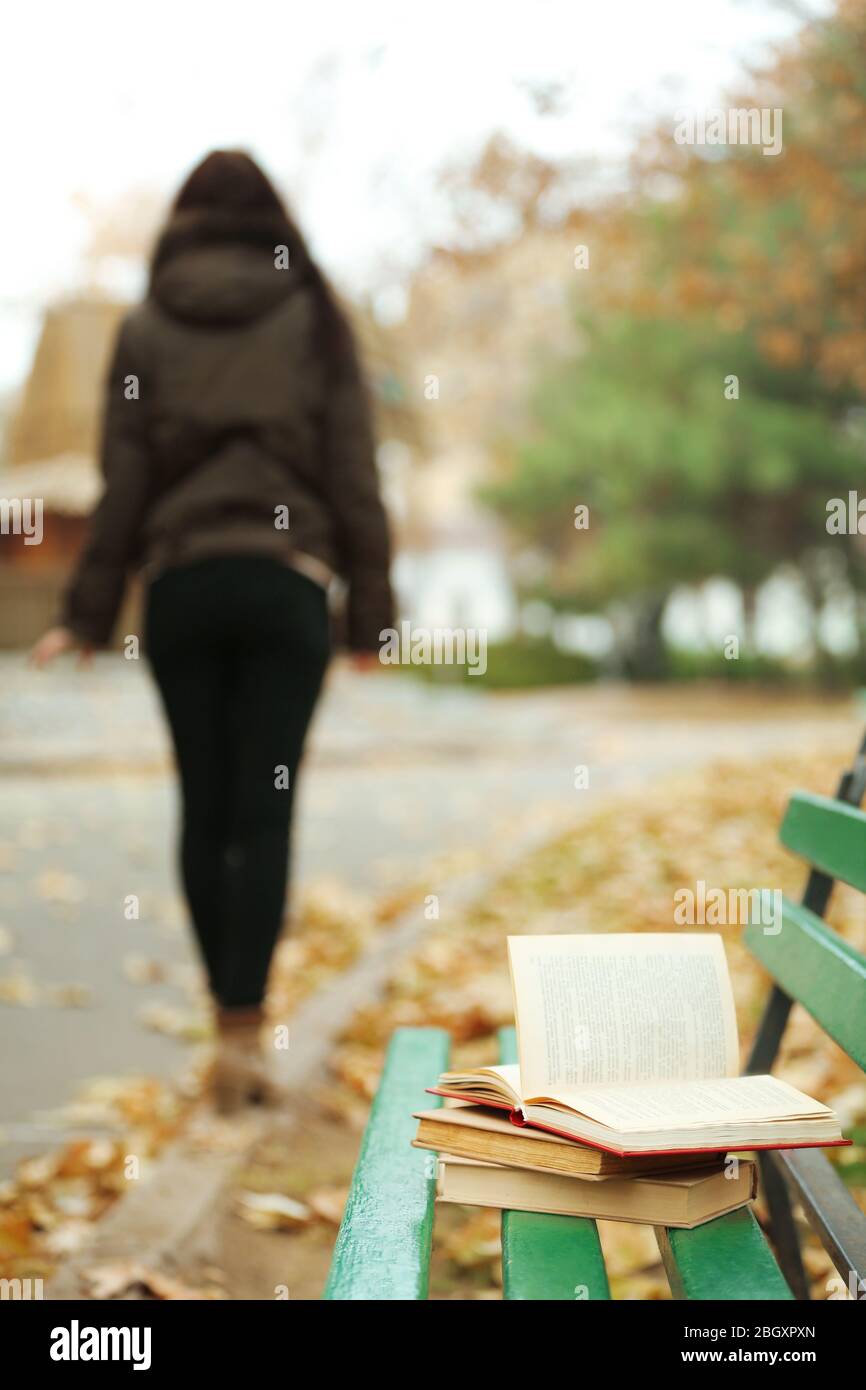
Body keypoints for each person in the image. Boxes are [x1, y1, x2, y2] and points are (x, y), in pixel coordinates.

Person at [31, 149, 393, 1112]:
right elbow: (355, 470)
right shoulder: (314, 318)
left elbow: (125, 483)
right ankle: (246, 1029)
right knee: (266, 809)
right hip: (287, 590)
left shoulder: (147, 327)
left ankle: (221, 1029)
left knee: (204, 803)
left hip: (183, 588)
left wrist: (85, 615)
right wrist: (373, 616)